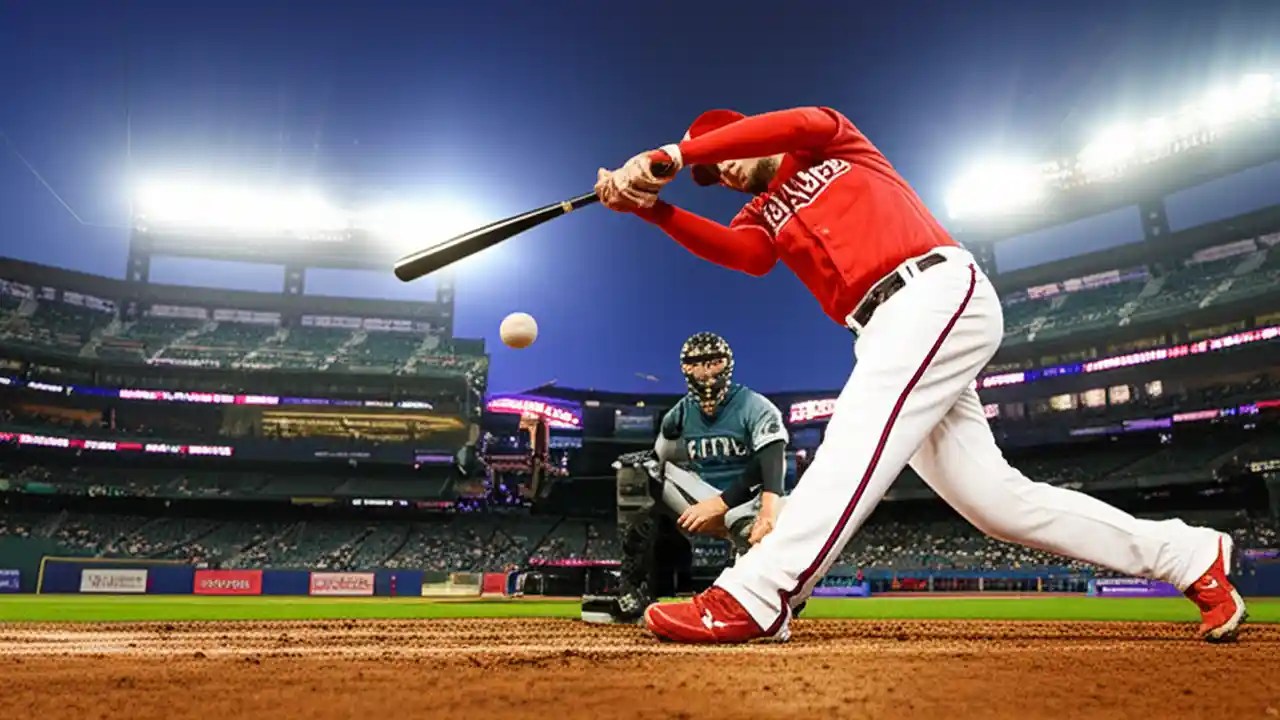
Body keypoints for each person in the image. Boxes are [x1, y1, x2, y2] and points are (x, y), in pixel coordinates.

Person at [593, 106, 1246, 643]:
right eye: (711, 170)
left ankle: (758, 592)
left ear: (743, 128)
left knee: (856, 429)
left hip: (933, 290)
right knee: (997, 503)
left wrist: (675, 155)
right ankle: (1187, 555)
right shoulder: (760, 212)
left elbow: (792, 126)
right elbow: (746, 257)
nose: (723, 170)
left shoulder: (829, 140)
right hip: (883, 329)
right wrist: (653, 209)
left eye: (722, 153)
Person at [581, 332, 791, 624]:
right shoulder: (679, 414)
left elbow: (770, 458)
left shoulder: (754, 405)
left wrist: (762, 511)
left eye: (713, 362)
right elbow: (658, 463)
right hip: (702, 497)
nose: (705, 373)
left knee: (753, 535)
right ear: (685, 368)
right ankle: (636, 590)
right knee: (637, 471)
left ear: (727, 365)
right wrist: (666, 527)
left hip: (751, 502)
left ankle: (769, 595)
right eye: (697, 364)